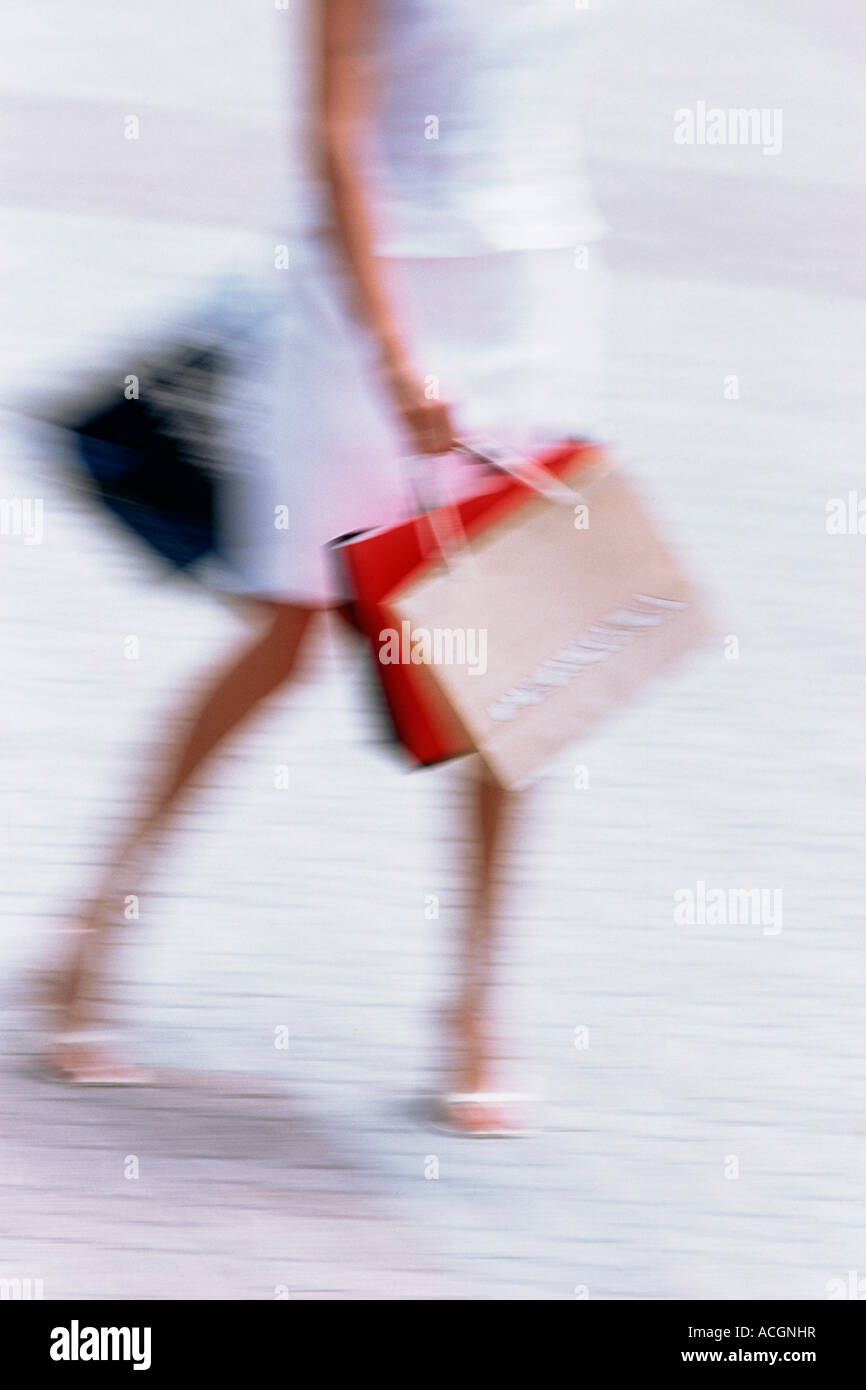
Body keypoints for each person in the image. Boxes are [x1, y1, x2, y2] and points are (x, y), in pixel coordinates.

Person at [47, 0, 607, 1134]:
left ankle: (473, 1009)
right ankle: (91, 938)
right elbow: (335, 132)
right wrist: (397, 358)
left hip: (531, 298)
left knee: (512, 666)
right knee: (284, 639)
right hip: (361, 311)